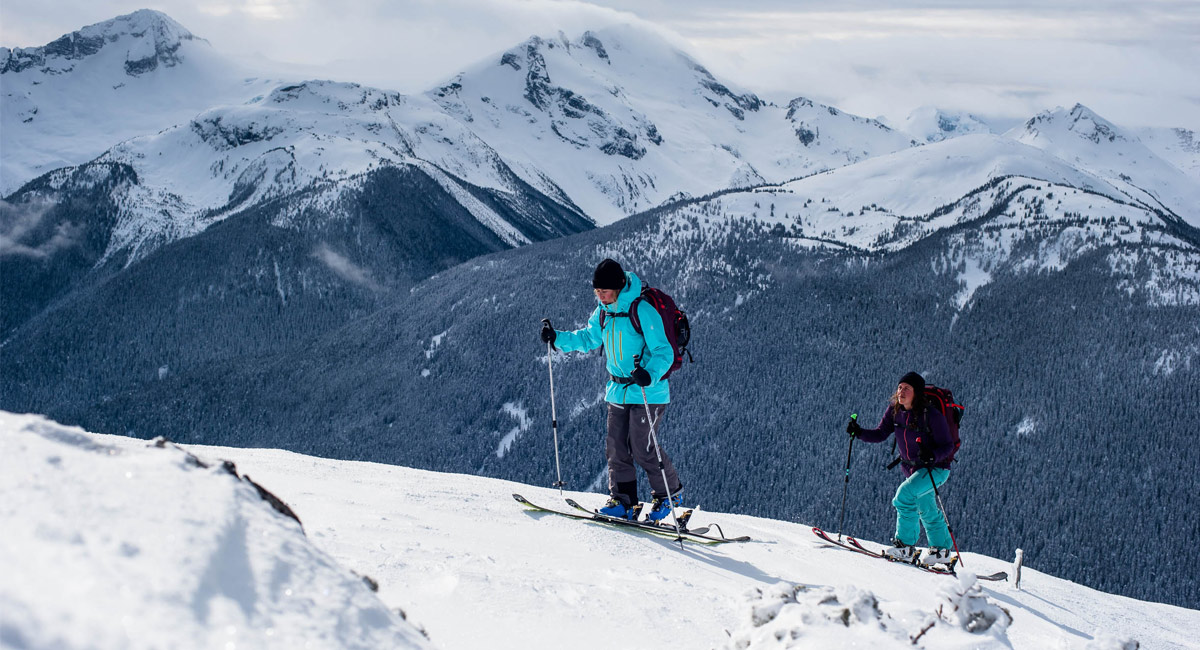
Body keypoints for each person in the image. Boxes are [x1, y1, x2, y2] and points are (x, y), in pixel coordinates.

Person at [540, 258, 684, 522]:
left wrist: (649, 374)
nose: (600, 296)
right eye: (597, 291)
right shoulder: (603, 312)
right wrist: (557, 338)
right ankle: (623, 501)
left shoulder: (642, 310)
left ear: (618, 287)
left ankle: (669, 495)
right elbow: (588, 338)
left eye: (604, 291)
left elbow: (663, 351)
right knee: (616, 448)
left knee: (643, 447)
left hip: (648, 391)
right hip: (617, 390)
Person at [846, 371, 955, 566]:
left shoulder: (931, 415)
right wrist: (859, 432)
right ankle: (941, 551)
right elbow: (880, 434)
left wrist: (932, 456)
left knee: (904, 497)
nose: (901, 392)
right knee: (926, 508)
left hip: (936, 469)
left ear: (917, 393)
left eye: (907, 389)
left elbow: (948, 446)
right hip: (914, 471)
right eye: (900, 387)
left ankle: (905, 547)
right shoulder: (894, 410)